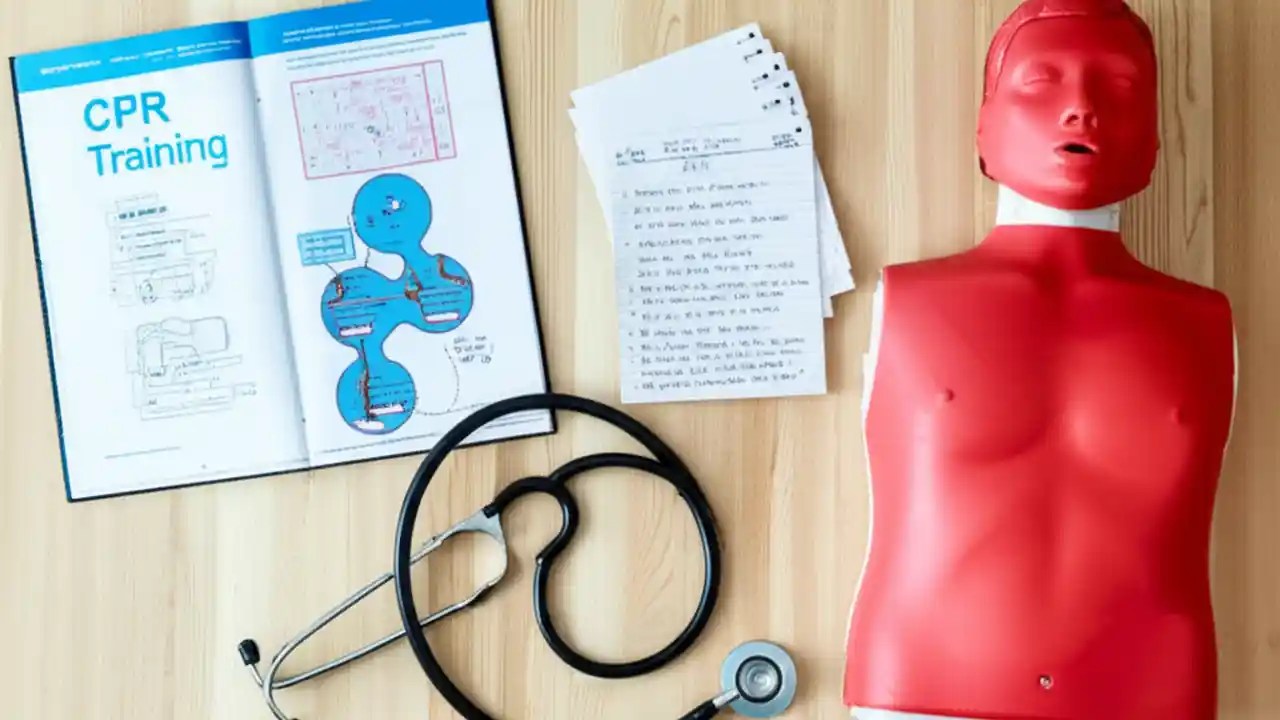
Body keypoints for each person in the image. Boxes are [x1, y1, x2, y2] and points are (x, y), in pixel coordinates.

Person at [843, 1, 1236, 718]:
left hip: (1147, 692)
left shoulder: (1205, 322)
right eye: (1041, 81)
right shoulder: (907, 298)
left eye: (1117, 87)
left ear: (1154, 137)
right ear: (983, 123)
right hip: (921, 692)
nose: (1080, 109)